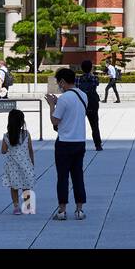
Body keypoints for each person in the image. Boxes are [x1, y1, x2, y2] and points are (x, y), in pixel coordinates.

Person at [45, 67, 88, 220]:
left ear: (63, 81)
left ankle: (62, 210)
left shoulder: (64, 98)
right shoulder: (83, 95)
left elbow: (55, 120)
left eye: (59, 83)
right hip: (80, 141)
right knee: (78, 176)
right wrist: (59, 103)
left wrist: (52, 105)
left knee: (62, 177)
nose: (59, 86)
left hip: (64, 143)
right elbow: (73, 113)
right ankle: (79, 210)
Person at [0, 108, 36, 215]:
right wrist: (32, 163)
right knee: (26, 186)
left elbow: (3, 151)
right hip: (25, 164)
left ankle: (16, 207)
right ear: (22, 122)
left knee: (14, 186)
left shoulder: (7, 136)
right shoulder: (26, 134)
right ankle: (28, 206)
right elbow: (30, 149)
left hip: (12, 165)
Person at [76, 59, 103, 151]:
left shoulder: (78, 79)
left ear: (81, 68)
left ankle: (77, 143)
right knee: (95, 125)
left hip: (81, 104)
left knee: (78, 125)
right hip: (92, 104)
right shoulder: (95, 78)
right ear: (91, 68)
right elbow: (97, 84)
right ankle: (98, 145)